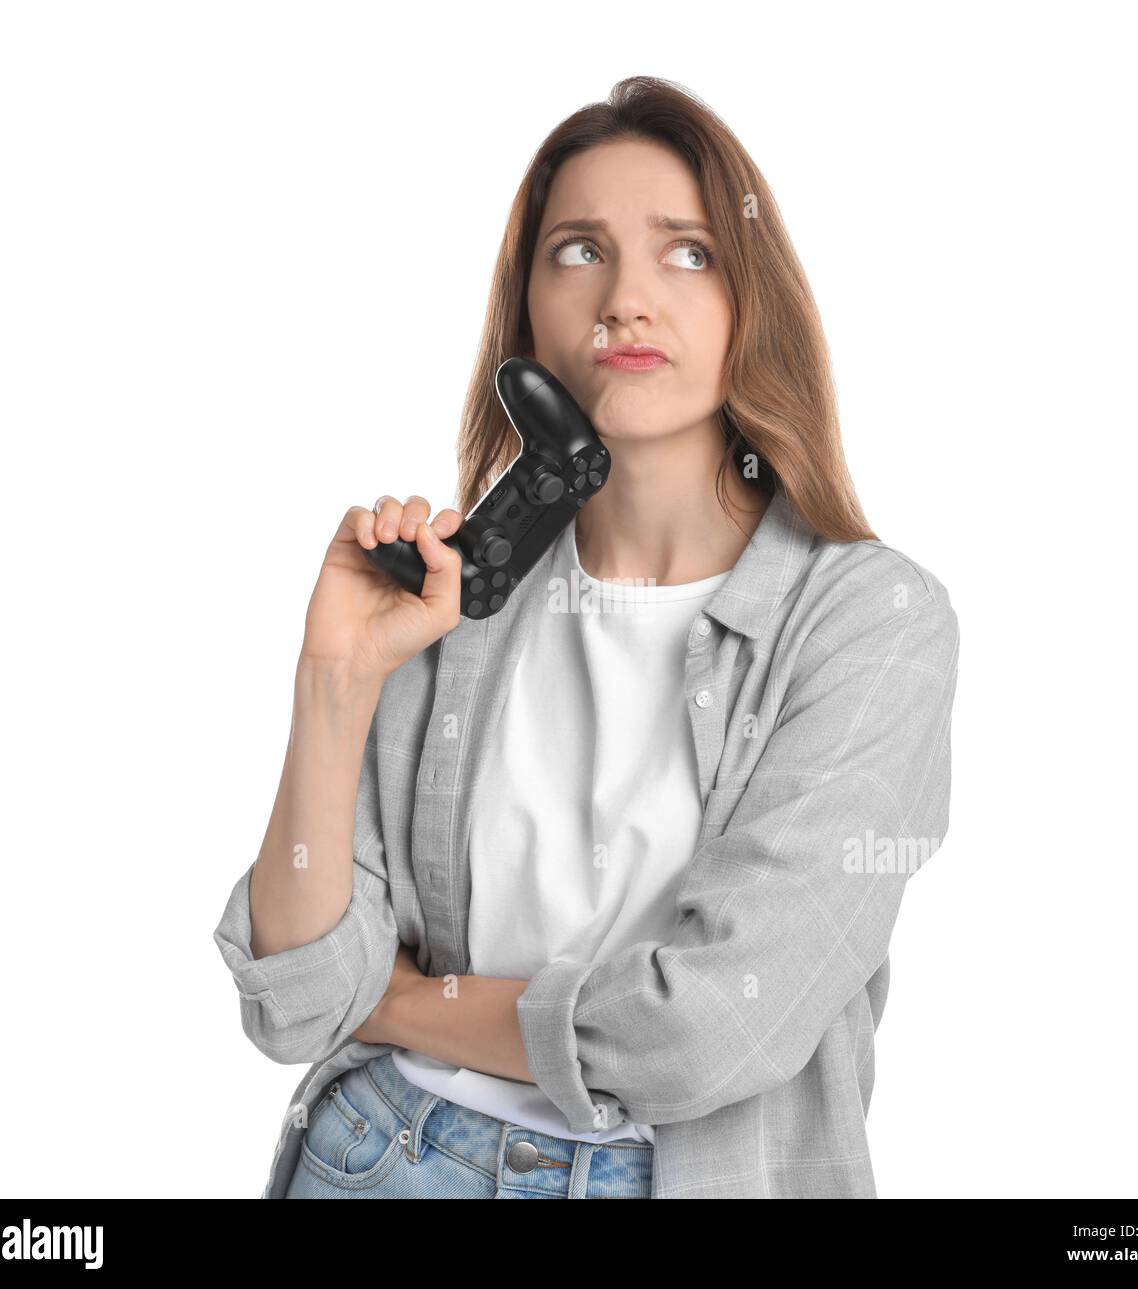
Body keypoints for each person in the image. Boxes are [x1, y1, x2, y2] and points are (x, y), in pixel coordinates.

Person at [213, 75, 960, 1200]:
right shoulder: (453, 598)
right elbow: (302, 998)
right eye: (577, 251)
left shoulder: (870, 621)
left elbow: (709, 1030)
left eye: (687, 252)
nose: (624, 298)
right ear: (526, 322)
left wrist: (408, 1000)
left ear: (751, 299)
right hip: (379, 1159)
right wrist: (338, 675)